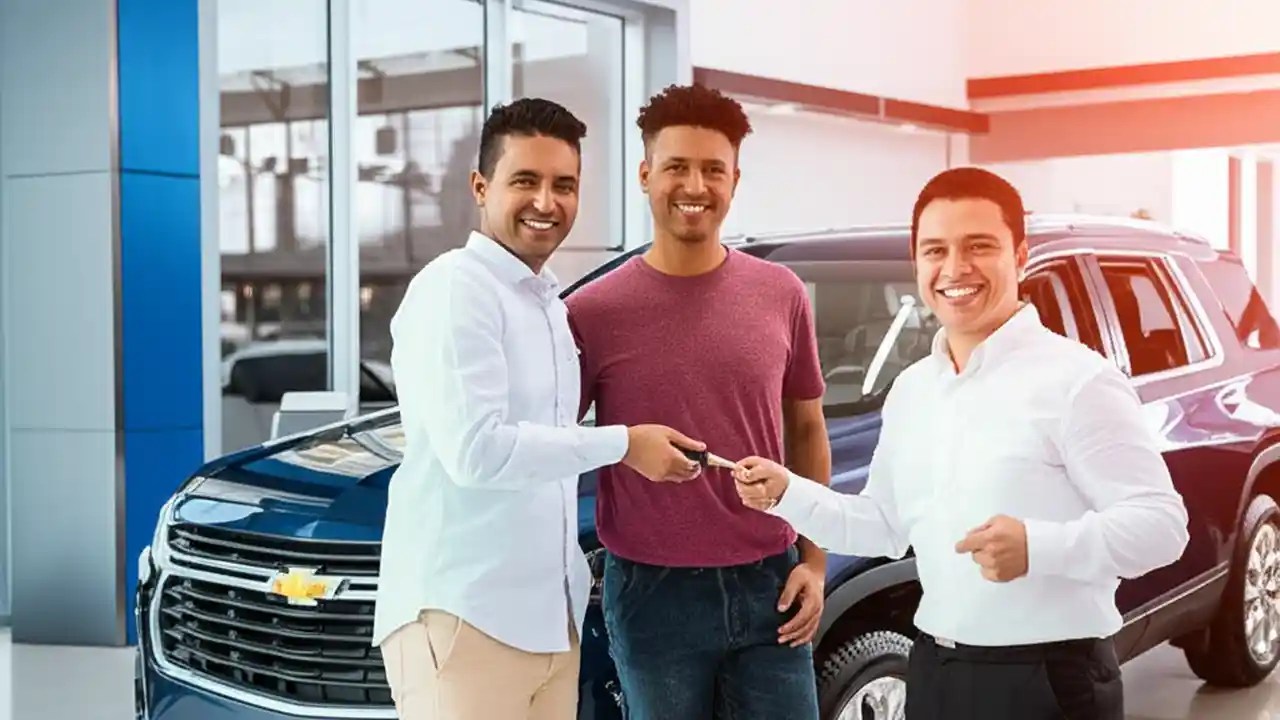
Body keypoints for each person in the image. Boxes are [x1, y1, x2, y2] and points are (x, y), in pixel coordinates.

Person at [733, 167, 1191, 720]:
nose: (955, 269)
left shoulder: (1078, 381)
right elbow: (882, 525)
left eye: (979, 247)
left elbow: (1162, 527)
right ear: (917, 263)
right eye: (935, 250)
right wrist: (787, 493)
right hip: (936, 672)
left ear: (1020, 256)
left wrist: (1038, 547)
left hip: (1049, 680)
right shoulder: (913, 390)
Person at [372, 97, 709, 720]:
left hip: (547, 620)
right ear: (481, 186)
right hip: (465, 616)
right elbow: (478, 450)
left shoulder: (545, 302)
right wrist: (622, 444)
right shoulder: (456, 288)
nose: (547, 203)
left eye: (565, 185)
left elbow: (544, 445)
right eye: (525, 180)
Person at [566, 84, 831, 719]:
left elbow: (806, 428)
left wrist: (815, 563)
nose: (696, 184)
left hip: (771, 580)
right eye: (677, 166)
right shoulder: (591, 312)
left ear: (735, 180)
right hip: (652, 593)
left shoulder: (781, 293)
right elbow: (552, 444)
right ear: (645, 174)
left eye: (713, 169)